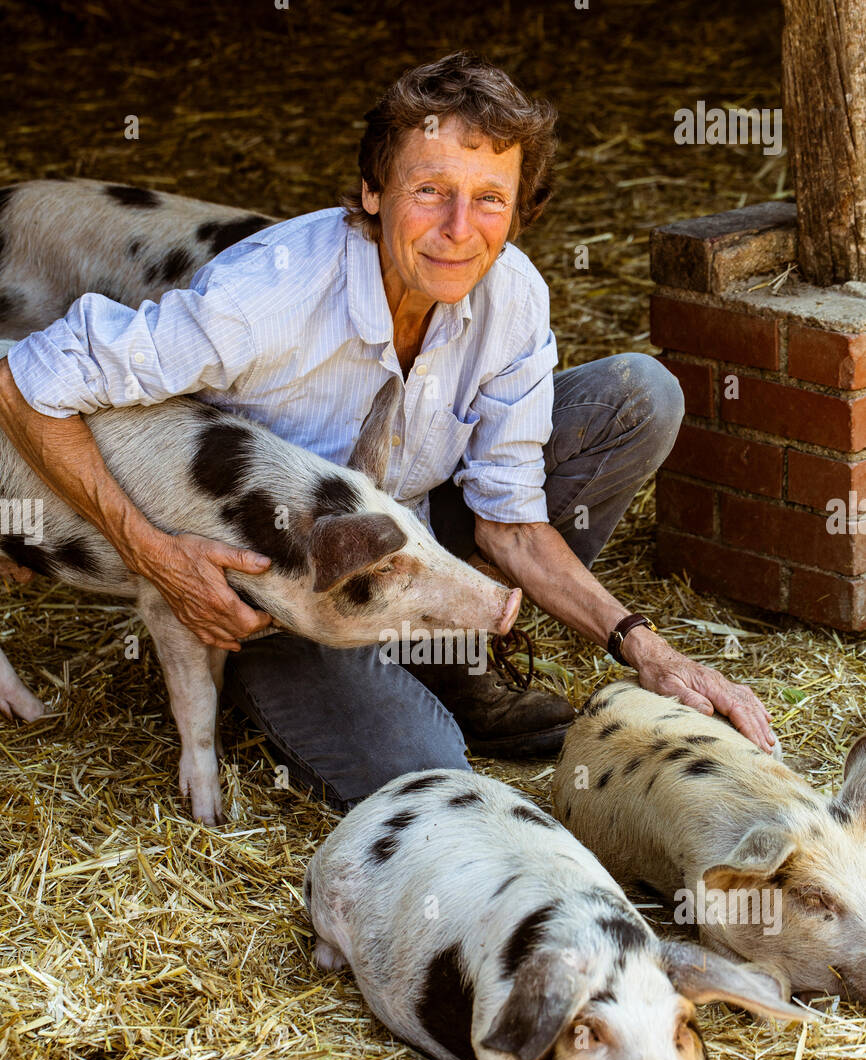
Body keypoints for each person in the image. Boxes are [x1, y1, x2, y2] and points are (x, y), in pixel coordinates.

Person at [0, 52, 773, 812]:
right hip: (284, 596)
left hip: (416, 538)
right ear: (372, 192)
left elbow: (512, 524)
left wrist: (651, 652)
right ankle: (293, 679)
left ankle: (446, 648)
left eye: (490, 200)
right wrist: (158, 557)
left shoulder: (513, 297)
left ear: (521, 209)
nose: (458, 230)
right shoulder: (262, 296)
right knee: (427, 775)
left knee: (636, 396)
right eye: (430, 190)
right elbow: (25, 380)